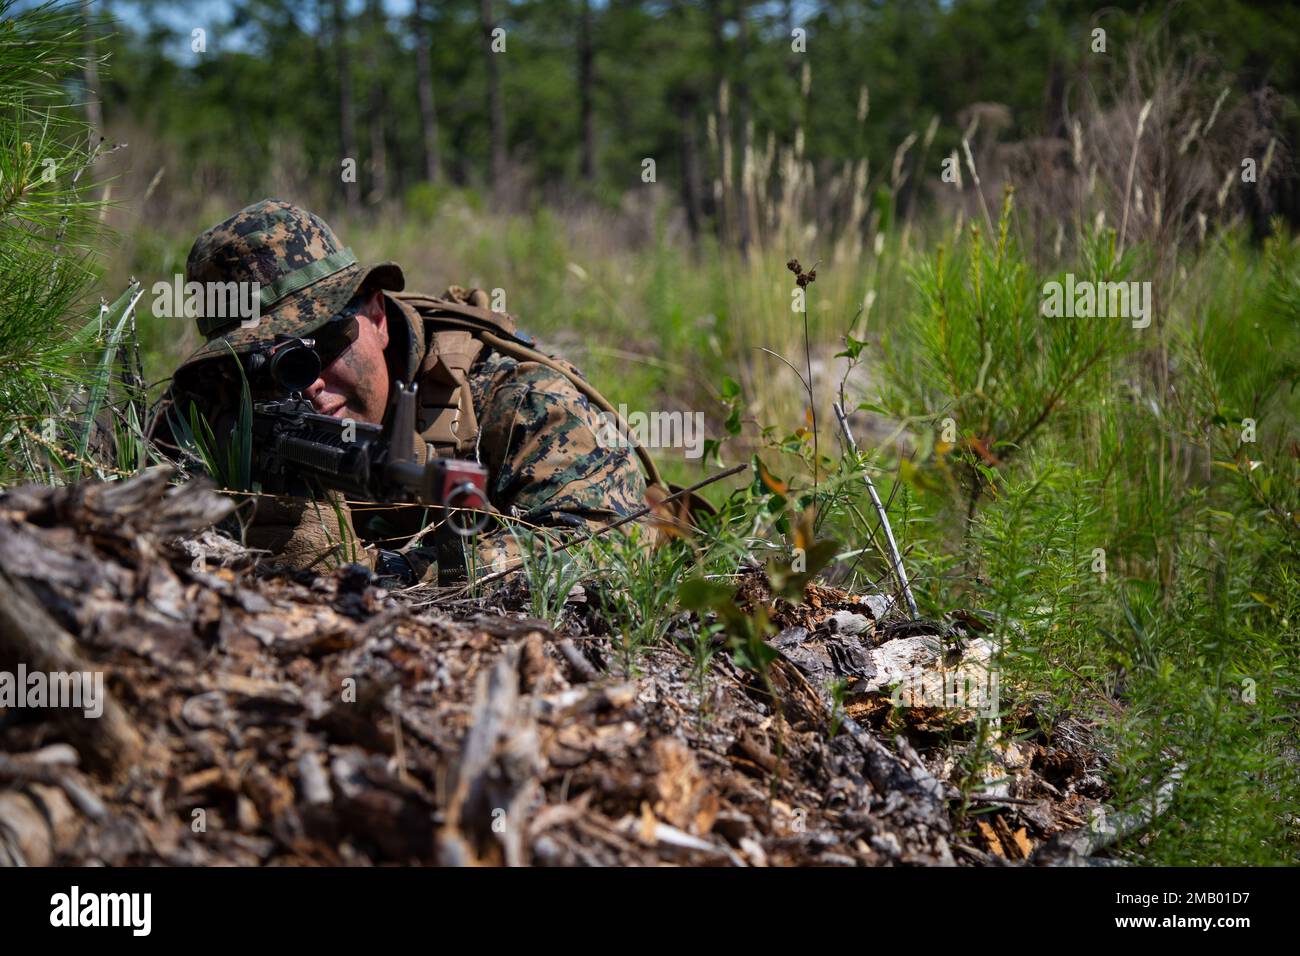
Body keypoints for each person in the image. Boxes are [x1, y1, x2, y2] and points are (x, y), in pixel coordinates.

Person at [150, 198, 653, 582]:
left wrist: (390, 570)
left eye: (321, 344)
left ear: (375, 313)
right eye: (261, 365)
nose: (310, 384)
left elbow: (611, 546)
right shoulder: (211, 406)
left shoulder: (520, 400)